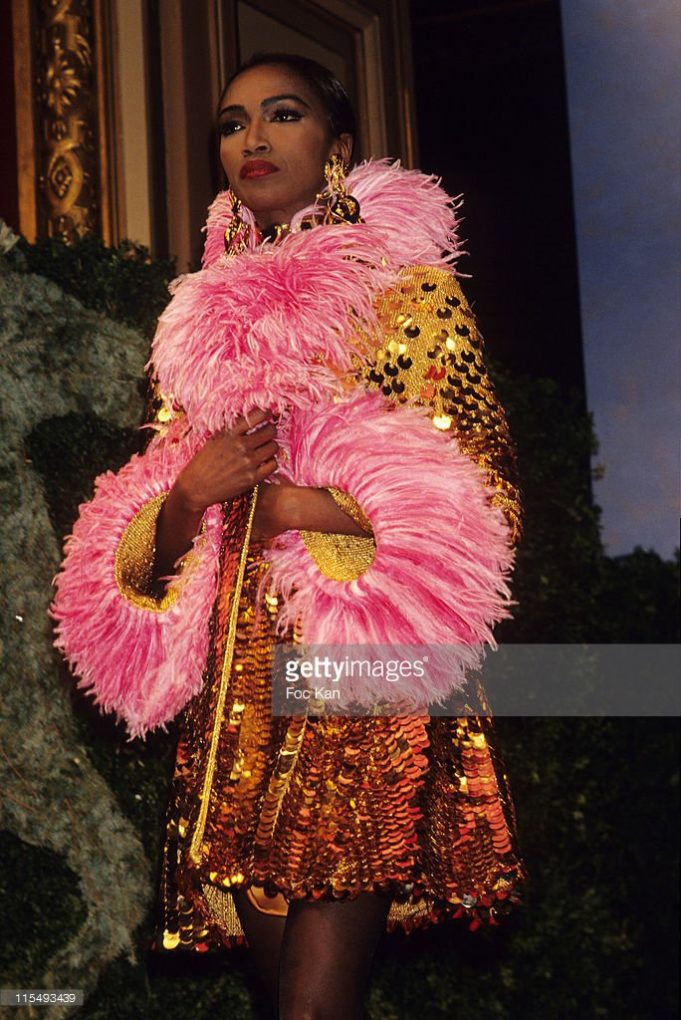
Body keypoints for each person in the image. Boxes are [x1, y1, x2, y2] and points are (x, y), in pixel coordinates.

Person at [51, 52, 527, 1020]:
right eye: (232, 123)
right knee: (285, 999)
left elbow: (489, 500)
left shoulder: (409, 295)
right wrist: (192, 497)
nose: (254, 139)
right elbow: (151, 530)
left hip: (362, 675)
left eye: (283, 115)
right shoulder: (192, 328)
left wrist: (307, 509)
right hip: (238, 697)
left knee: (314, 1004)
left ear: (338, 148)